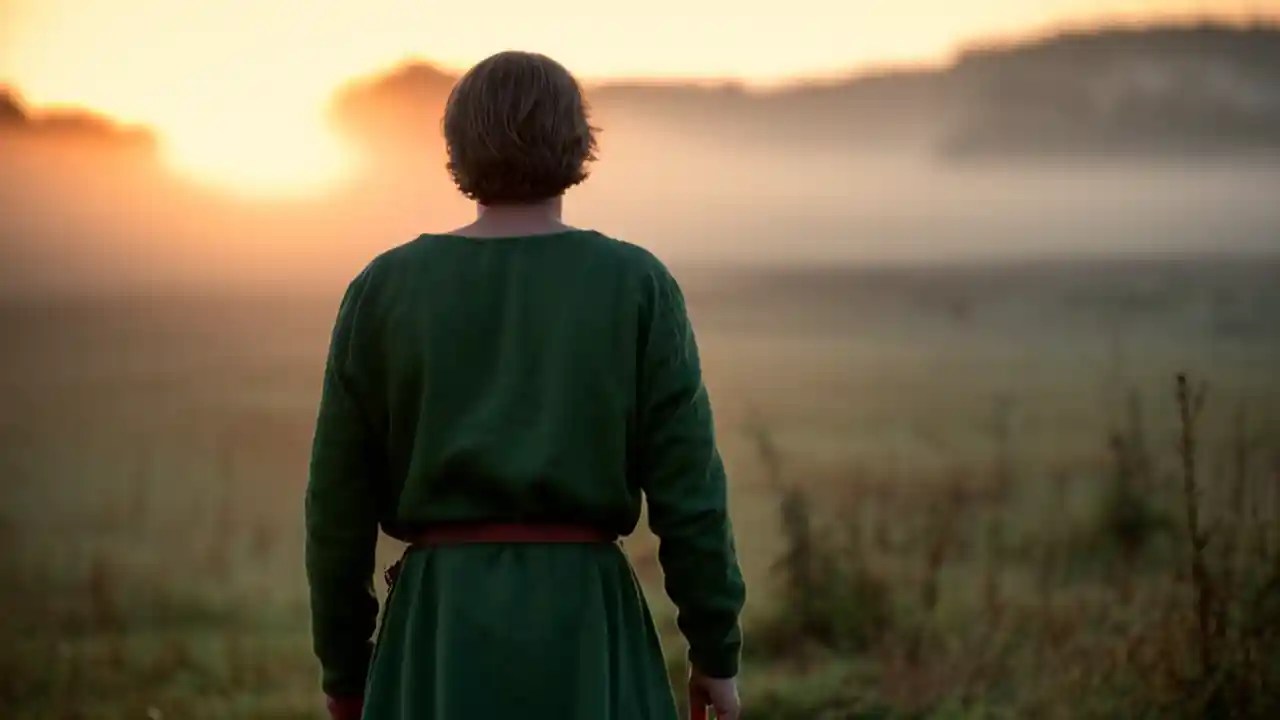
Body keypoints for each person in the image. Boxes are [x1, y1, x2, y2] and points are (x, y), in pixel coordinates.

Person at [305, 51, 745, 720]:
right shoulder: (635, 285)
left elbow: (336, 510)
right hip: (585, 630)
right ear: (577, 141)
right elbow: (692, 494)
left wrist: (345, 671)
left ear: (457, 146)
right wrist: (715, 651)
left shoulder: (384, 290)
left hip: (438, 635)